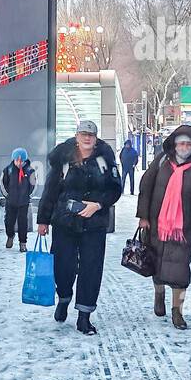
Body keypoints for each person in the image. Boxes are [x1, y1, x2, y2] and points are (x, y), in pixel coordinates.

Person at [37, 120, 123, 336]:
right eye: (83, 134)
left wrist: (98, 204)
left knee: (91, 269)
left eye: (91, 135)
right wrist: (43, 220)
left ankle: (84, 316)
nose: (87, 138)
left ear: (96, 139)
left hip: (94, 223)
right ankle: (64, 297)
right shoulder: (64, 160)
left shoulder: (105, 159)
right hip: (65, 221)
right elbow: (50, 190)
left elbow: (115, 189)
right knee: (62, 266)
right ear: (76, 136)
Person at [136, 124, 191, 330]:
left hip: (182, 230)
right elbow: (146, 186)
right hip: (157, 224)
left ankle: (177, 312)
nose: (184, 147)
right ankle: (158, 294)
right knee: (156, 264)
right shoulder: (162, 161)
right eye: (181, 143)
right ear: (174, 144)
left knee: (180, 272)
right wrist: (143, 216)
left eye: (188, 144)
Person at [0, 147, 36, 251]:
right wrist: (7, 195)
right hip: (11, 201)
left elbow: (34, 185)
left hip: (23, 202)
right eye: (17, 160)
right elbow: (2, 183)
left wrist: (29, 196)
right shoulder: (8, 170)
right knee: (9, 221)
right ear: (13, 160)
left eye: (21, 160)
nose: (19, 163)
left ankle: (23, 242)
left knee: (23, 222)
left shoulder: (30, 171)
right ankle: (10, 236)